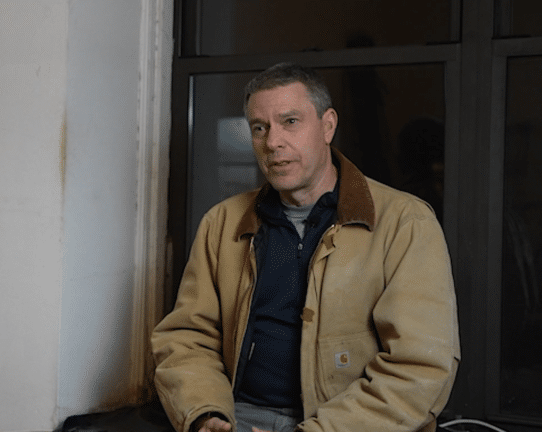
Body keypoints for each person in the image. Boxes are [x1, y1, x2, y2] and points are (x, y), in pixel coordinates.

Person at [151, 63, 460, 432]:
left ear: (328, 126)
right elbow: (187, 338)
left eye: (290, 121)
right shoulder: (222, 223)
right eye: (259, 127)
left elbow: (420, 367)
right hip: (238, 416)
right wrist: (205, 414)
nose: (272, 142)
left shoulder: (405, 222)